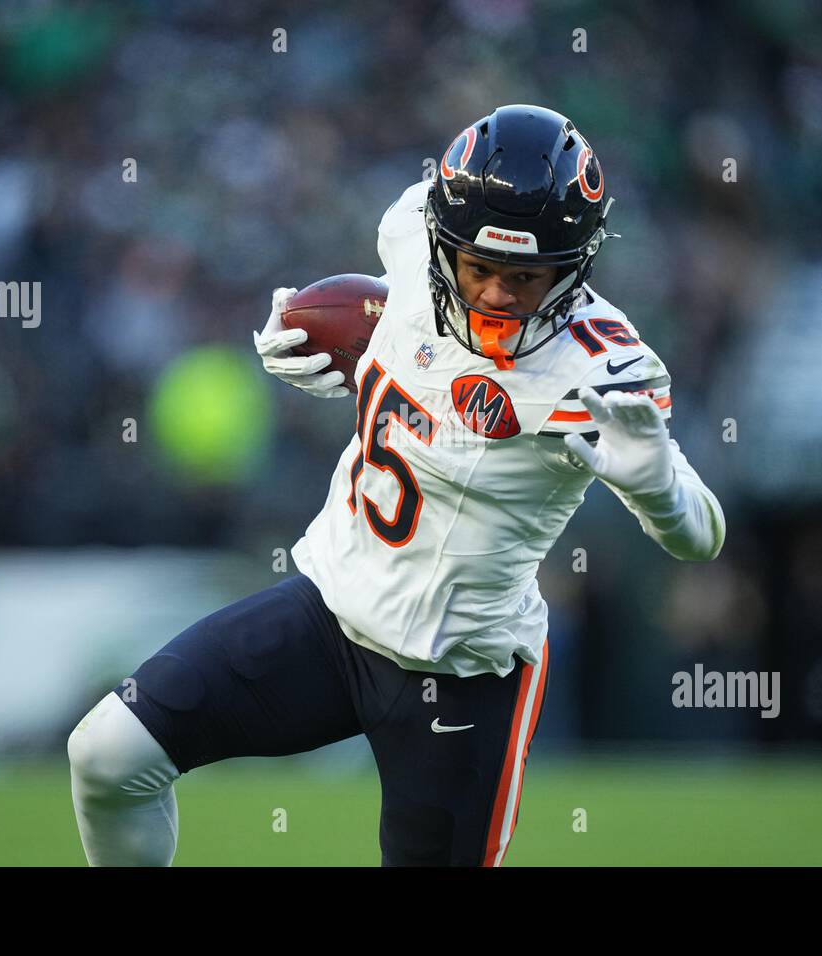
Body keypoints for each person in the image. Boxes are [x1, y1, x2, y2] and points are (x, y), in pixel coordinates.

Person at [69, 104, 725, 866]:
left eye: (527, 276)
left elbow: (701, 536)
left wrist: (657, 489)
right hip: (328, 613)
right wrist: (316, 340)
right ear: (447, 244)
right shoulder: (414, 235)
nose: (498, 297)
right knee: (109, 755)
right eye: (480, 268)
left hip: (462, 675)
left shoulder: (601, 369)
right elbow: (391, 319)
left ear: (573, 267)